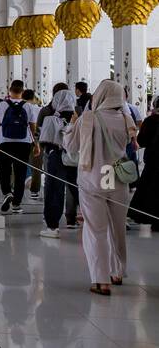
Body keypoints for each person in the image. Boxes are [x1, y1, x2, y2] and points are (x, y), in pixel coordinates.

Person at [64, 80, 132, 295]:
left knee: (96, 229)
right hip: (117, 177)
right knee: (117, 228)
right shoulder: (125, 118)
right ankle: (117, 272)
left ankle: (101, 280)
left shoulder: (88, 118)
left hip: (93, 177)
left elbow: (71, 147)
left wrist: (70, 126)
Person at [38, 84, 79, 238]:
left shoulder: (50, 117)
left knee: (54, 189)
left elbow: (44, 141)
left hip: (56, 157)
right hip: (75, 157)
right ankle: (93, 221)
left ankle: (52, 226)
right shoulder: (79, 117)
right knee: (77, 188)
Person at [0, 79, 35, 214]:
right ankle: (16, 204)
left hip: (5, 142)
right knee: (20, 173)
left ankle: (7, 193)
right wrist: (35, 144)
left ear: (10, 90)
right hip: (24, 143)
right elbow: (32, 128)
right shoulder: (28, 107)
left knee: (4, 170)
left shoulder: (1, 105)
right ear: (22, 91)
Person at [128, 96, 159, 232]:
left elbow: (142, 141)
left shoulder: (150, 121)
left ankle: (148, 217)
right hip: (153, 160)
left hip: (153, 160)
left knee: (149, 189)